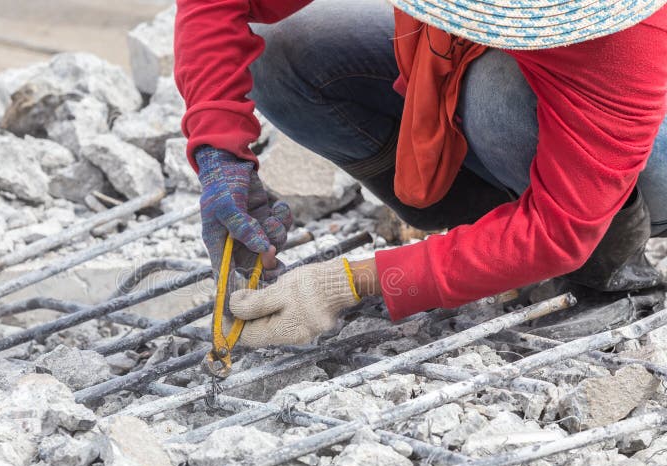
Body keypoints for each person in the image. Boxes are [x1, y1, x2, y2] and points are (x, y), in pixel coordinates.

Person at [174, 0, 667, 347]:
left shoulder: (623, 35)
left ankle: (610, 265)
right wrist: (220, 153)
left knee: (498, 97)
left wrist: (353, 282)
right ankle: (488, 231)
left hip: (643, 135)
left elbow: (557, 231)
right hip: (488, 66)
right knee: (282, 50)